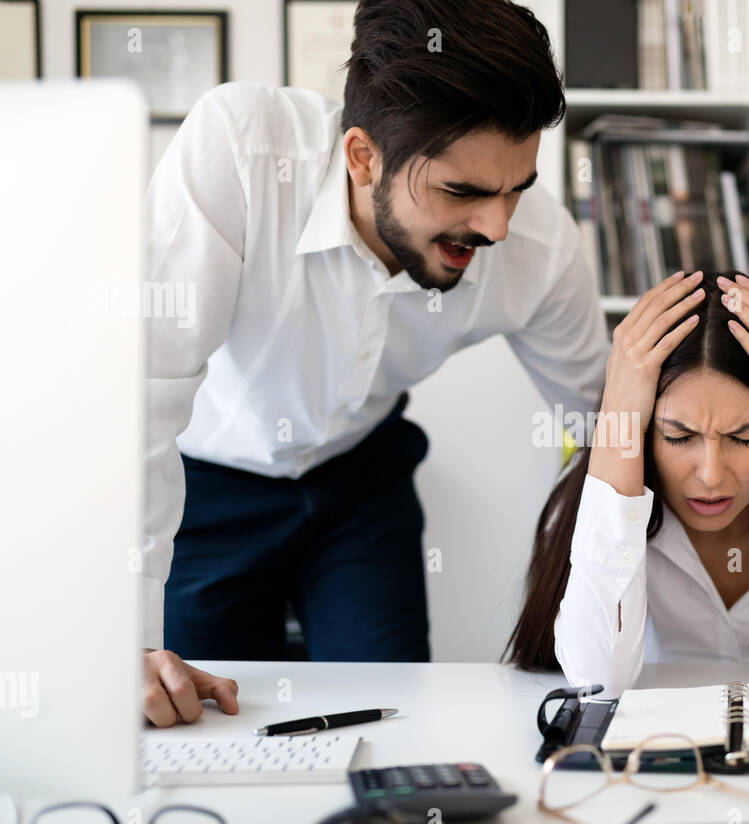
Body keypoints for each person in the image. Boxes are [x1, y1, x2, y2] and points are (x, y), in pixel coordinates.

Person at [140, 0, 608, 726]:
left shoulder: (541, 250)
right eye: (463, 191)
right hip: (206, 493)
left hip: (361, 484)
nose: (497, 227)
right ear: (362, 156)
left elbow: (606, 428)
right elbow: (144, 392)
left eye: (518, 188)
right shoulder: (240, 151)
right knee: (199, 727)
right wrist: (129, 641)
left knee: (392, 722)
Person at [506, 270, 749, 697]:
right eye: (678, 436)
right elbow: (598, 681)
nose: (711, 475)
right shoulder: (598, 481)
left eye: (744, 437)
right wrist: (617, 416)